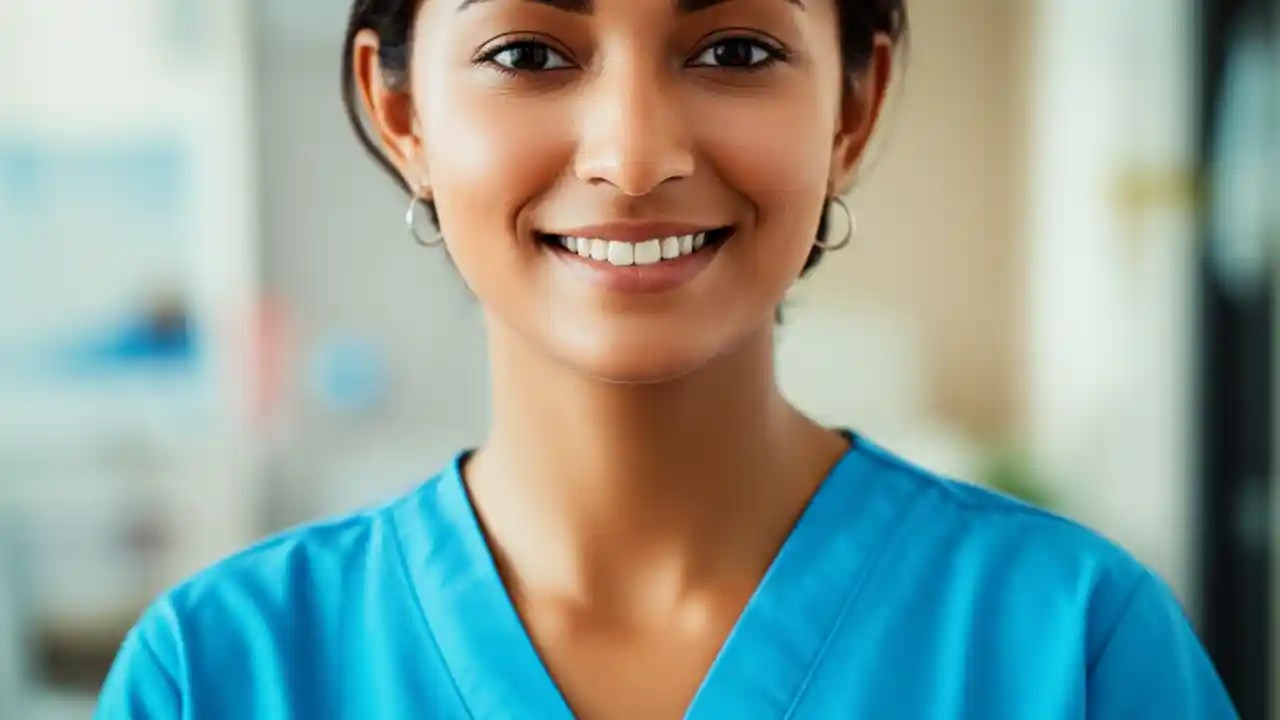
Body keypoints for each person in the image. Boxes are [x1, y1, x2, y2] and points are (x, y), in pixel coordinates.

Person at [97, 0, 1238, 717]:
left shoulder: (1071, 648)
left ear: (855, 99)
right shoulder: (220, 675)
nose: (633, 155)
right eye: (529, 51)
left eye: (734, 48)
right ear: (400, 113)